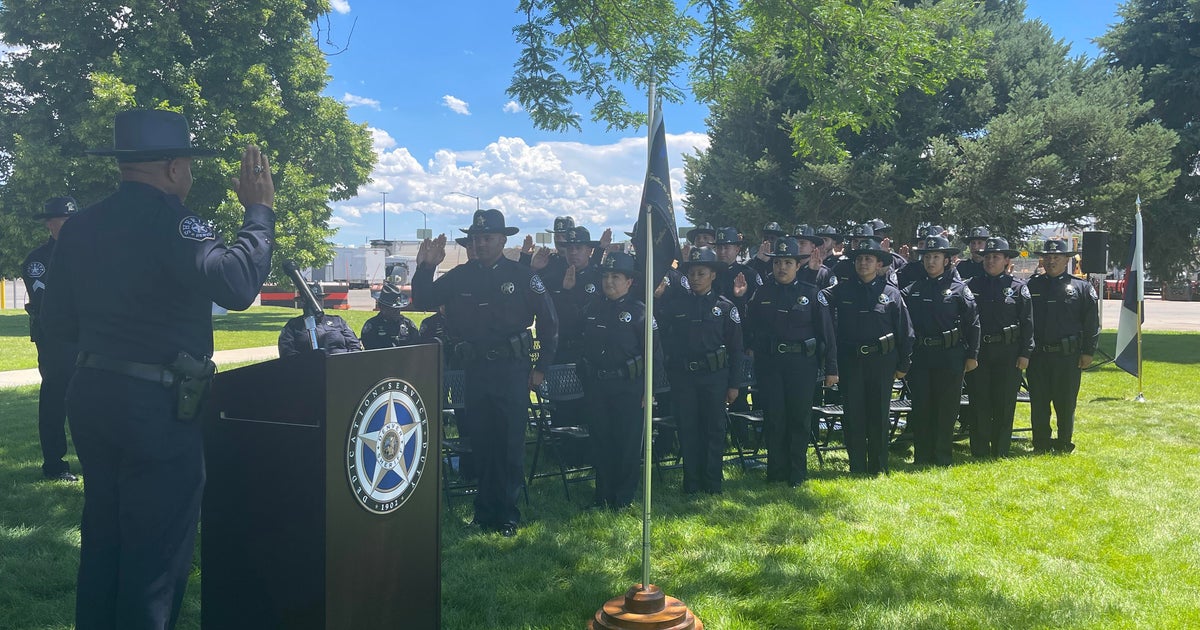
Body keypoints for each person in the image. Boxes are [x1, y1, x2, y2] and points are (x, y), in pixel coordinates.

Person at [41, 109, 275, 629]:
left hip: (93, 392)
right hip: (157, 406)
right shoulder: (175, 221)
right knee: (156, 559)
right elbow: (237, 285)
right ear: (173, 168)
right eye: (188, 165)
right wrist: (258, 213)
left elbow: (55, 319)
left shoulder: (78, 227)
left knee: (104, 538)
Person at [411, 209, 558, 536]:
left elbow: (549, 322)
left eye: (487, 238)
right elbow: (423, 298)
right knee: (482, 441)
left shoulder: (522, 276)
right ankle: (483, 511)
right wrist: (427, 267)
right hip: (476, 368)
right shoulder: (461, 275)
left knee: (508, 443)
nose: (480, 244)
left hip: (511, 369)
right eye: (476, 239)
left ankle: (506, 514)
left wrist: (542, 367)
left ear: (503, 240)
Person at [744, 237, 837, 486]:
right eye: (777, 263)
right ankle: (776, 471)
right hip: (770, 364)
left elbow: (827, 333)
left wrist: (831, 368)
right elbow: (748, 327)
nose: (781, 267)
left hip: (801, 365)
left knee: (799, 418)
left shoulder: (812, 294)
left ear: (798, 265)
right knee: (774, 418)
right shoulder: (761, 293)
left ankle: (797, 472)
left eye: (787, 262)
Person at [819, 237, 914, 475]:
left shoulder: (891, 294)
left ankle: (879, 465)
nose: (863, 263)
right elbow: (818, 299)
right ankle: (857, 465)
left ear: (879, 263)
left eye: (868, 259)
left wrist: (904, 363)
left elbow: (906, 330)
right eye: (859, 259)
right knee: (853, 415)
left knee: (879, 414)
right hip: (851, 361)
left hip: (882, 360)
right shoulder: (841, 290)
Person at [578, 252, 662, 508]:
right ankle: (602, 494)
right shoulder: (592, 308)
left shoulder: (640, 312)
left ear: (629, 282)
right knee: (602, 440)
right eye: (606, 276)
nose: (609, 282)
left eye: (616, 276)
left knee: (626, 443)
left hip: (629, 387)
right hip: (598, 386)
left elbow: (654, 355)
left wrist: (650, 390)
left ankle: (623, 498)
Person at [658, 246, 745, 494]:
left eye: (701, 273)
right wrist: (657, 300)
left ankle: (713, 482)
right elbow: (659, 333)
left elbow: (736, 349)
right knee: (688, 428)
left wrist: (734, 385)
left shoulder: (725, 308)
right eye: (692, 274)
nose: (696, 278)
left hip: (714, 376)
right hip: (684, 376)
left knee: (714, 429)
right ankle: (692, 483)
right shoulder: (675, 306)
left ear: (713, 275)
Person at [901, 235, 980, 466]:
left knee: (947, 408)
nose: (931, 261)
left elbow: (973, 322)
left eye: (936, 257)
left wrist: (972, 355)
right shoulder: (912, 290)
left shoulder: (959, 290)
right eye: (927, 257)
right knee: (922, 406)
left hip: (950, 355)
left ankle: (943, 456)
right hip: (922, 355)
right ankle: (922, 456)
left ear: (947, 260)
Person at [22, 196, 81, 482]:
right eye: (63, 219)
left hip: (89, 340)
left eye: (73, 219)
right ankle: (55, 464)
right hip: (57, 343)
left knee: (90, 401)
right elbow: (47, 302)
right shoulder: (38, 260)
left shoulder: (91, 253)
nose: (70, 225)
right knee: (55, 402)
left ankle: (93, 458)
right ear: (49, 223)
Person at [1026, 238, 1100, 453]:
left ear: (1067, 259)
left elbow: (1091, 322)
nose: (1051, 261)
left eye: (1056, 257)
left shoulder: (1081, 288)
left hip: (1068, 355)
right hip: (1038, 355)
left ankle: (1064, 442)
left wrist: (1088, 351)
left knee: (1065, 402)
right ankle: (1040, 443)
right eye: (1047, 257)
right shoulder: (1032, 286)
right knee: (1039, 402)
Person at [965, 237, 1034, 457]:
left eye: (996, 257)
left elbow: (1028, 323)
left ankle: (1001, 449)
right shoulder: (972, 286)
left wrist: (1025, 353)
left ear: (1006, 260)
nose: (990, 260)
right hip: (980, 352)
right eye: (987, 256)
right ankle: (979, 449)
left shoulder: (1018, 288)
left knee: (1004, 402)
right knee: (979, 400)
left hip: (1008, 351)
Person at [277, 283, 363, 357]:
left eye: (318, 299)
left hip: (341, 367)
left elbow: (355, 345)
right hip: (309, 370)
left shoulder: (338, 321)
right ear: (302, 302)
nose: (314, 303)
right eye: (309, 300)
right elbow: (287, 353)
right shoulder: (293, 325)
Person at [359, 282, 421, 350]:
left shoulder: (408, 324)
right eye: (392, 309)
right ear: (382, 307)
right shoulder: (372, 325)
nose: (396, 312)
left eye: (398, 308)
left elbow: (417, 346)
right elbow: (370, 350)